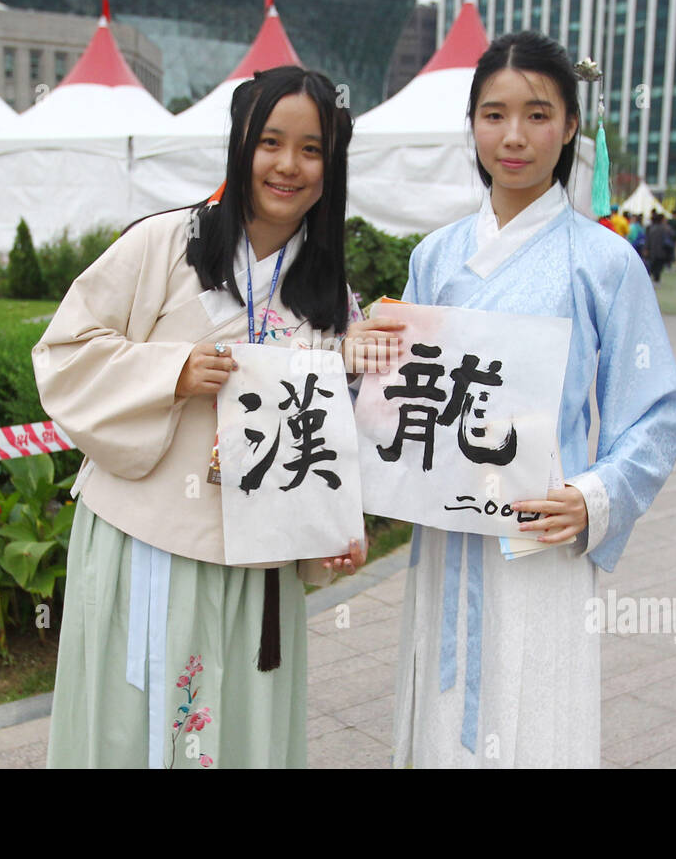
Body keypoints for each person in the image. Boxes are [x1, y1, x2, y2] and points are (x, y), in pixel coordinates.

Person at [32, 66, 404, 768]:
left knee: (237, 737)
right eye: (269, 141)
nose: (288, 165)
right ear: (240, 145)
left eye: (312, 148)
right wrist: (168, 372)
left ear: (333, 165)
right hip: (145, 543)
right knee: (130, 733)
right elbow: (64, 351)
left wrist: (339, 528)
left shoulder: (329, 299)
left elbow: (328, 441)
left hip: (255, 565)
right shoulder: (163, 245)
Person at [391, 32, 676, 768]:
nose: (515, 136)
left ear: (568, 127)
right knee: (434, 709)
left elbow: (657, 410)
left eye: (538, 114)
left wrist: (593, 496)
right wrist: (370, 352)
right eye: (494, 115)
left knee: (536, 714)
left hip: (539, 534)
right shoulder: (434, 256)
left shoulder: (604, 260)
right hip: (447, 534)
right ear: (472, 126)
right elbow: (402, 396)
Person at [644, 210, 671, 283]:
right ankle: (657, 279)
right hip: (662, 251)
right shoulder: (665, 228)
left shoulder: (650, 228)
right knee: (658, 266)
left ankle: (651, 278)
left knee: (652, 265)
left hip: (652, 251)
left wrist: (646, 249)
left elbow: (647, 239)